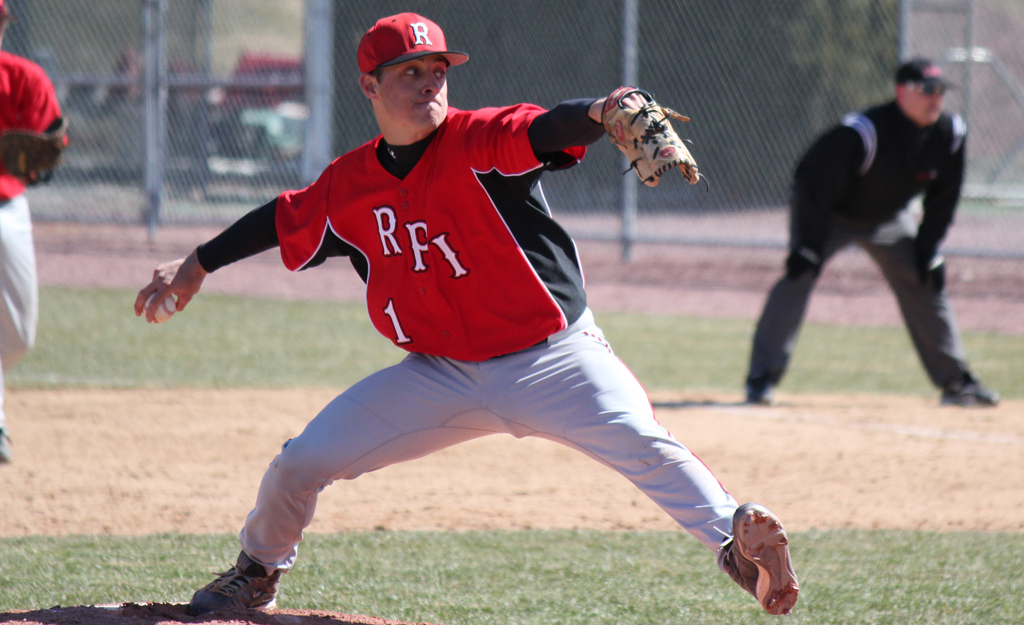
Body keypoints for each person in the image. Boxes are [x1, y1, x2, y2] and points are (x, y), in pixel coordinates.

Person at [136, 13, 799, 617]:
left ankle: (739, 550)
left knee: (646, 444)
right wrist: (197, 264)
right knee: (300, 461)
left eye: (438, 71)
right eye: (411, 72)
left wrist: (599, 111)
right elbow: (283, 219)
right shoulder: (349, 184)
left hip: (556, 358)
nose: (430, 83)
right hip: (439, 375)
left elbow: (545, 128)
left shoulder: (480, 140)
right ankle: (257, 570)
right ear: (369, 86)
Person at [744, 58, 999, 408]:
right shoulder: (863, 132)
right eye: (927, 90)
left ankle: (956, 382)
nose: (935, 98)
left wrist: (930, 249)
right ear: (901, 92)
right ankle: (761, 378)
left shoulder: (948, 134)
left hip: (887, 218)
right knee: (797, 277)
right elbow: (813, 183)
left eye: (940, 91)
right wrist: (807, 245)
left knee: (924, 278)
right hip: (830, 214)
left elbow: (944, 198)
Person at [0, 0, 67, 464]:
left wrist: (44, 161)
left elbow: (51, 145)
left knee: (19, 334)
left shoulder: (23, 77)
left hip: (7, 207)